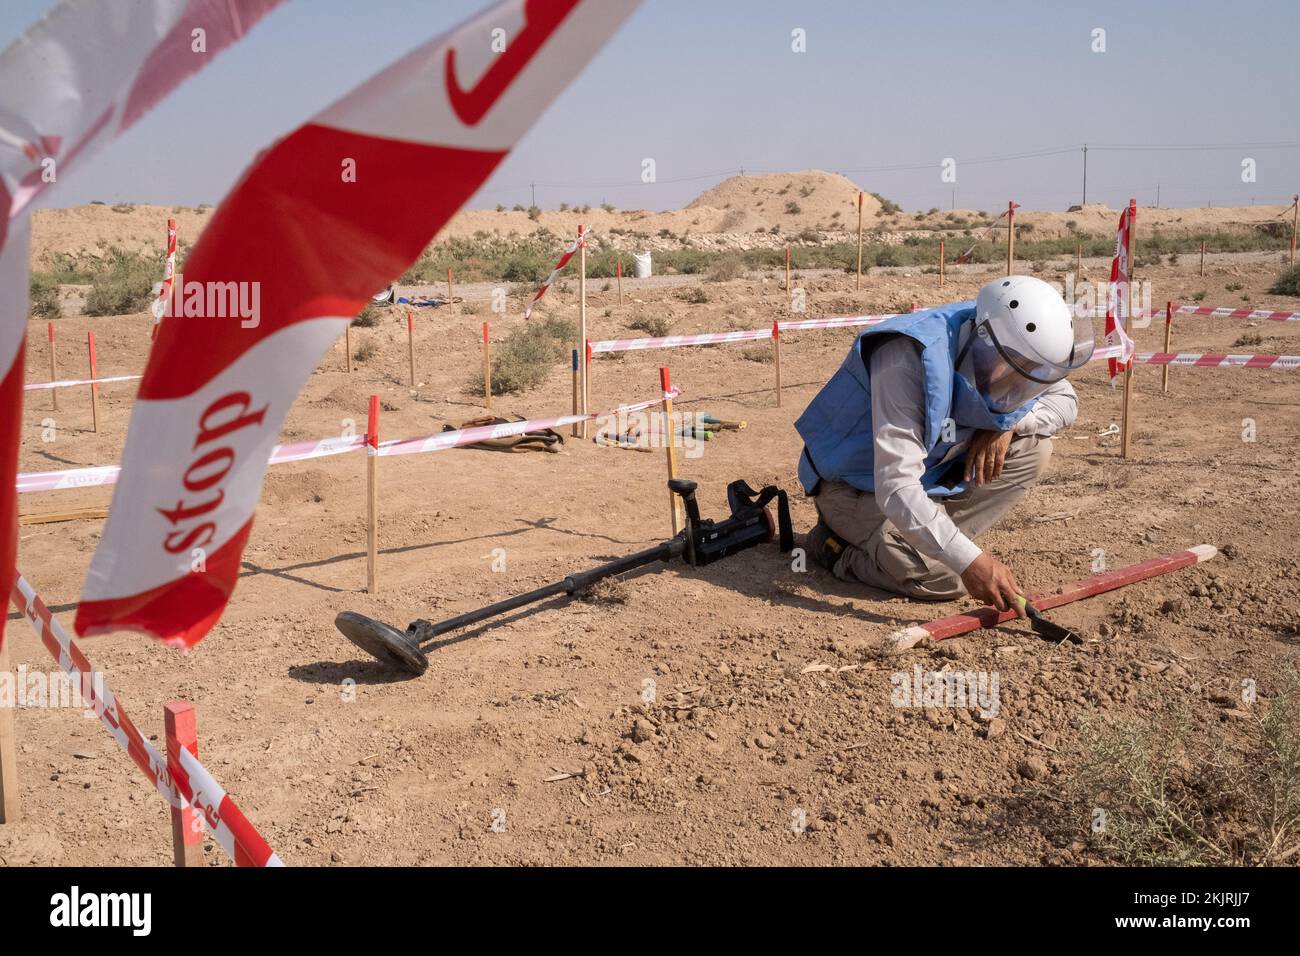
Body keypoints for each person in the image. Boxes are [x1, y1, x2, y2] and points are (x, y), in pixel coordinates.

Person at [797, 275, 1093, 612]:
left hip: (929, 475)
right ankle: (835, 548)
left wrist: (1008, 425)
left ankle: (924, 540)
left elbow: (1065, 403)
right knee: (945, 578)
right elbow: (896, 486)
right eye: (1014, 371)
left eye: (1028, 377)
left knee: (1034, 449)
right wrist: (970, 562)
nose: (1017, 388)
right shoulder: (906, 356)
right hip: (855, 486)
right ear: (984, 342)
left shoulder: (1013, 343)